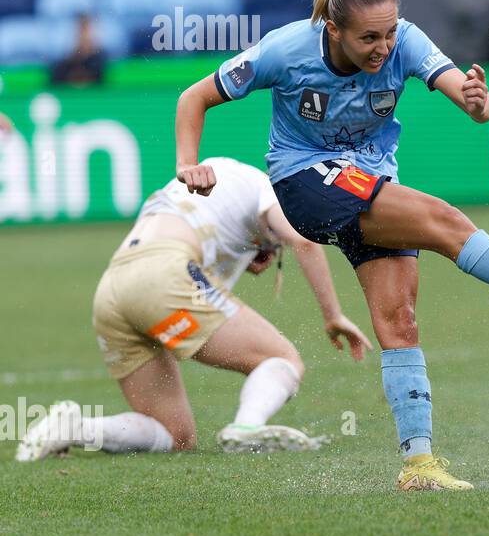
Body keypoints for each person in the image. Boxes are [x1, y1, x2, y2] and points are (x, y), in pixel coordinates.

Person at [172, 0, 489, 492]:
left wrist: (479, 103)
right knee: (443, 221)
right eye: (369, 38)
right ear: (333, 30)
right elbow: (195, 96)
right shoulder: (286, 49)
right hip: (305, 183)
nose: (384, 47)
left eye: (389, 33)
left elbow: (471, 103)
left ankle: (418, 465)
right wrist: (188, 163)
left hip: (368, 183)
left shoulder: (407, 42)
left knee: (399, 322)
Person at [16, 157, 371, 462]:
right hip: (164, 275)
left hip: (112, 290)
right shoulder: (267, 187)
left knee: (175, 436)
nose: (266, 256)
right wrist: (333, 314)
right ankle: (246, 427)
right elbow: (301, 239)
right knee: (281, 359)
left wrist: (253, 248)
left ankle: (76, 428)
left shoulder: (202, 187)